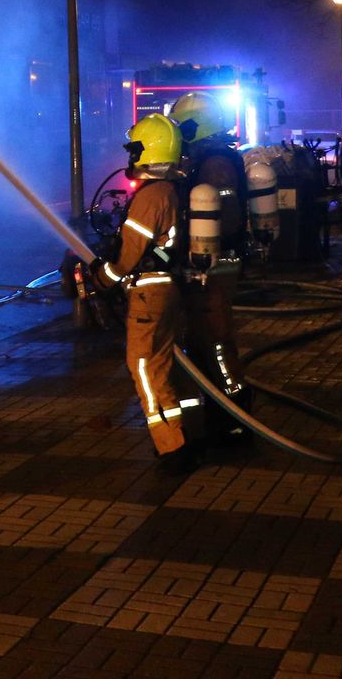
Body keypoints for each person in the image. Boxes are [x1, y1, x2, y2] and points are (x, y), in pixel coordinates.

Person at [94, 113, 200, 473]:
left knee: (141, 366)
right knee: (160, 365)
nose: (131, 156)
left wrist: (104, 278)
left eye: (136, 149)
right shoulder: (170, 190)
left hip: (149, 293)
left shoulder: (151, 196)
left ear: (149, 150)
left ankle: (171, 447)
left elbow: (129, 253)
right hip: (166, 290)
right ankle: (179, 436)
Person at [169, 92, 248, 438]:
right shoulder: (208, 159)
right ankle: (216, 408)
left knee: (215, 339)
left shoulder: (215, 164)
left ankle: (234, 413)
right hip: (209, 263)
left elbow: (224, 220)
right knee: (202, 338)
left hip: (216, 265)